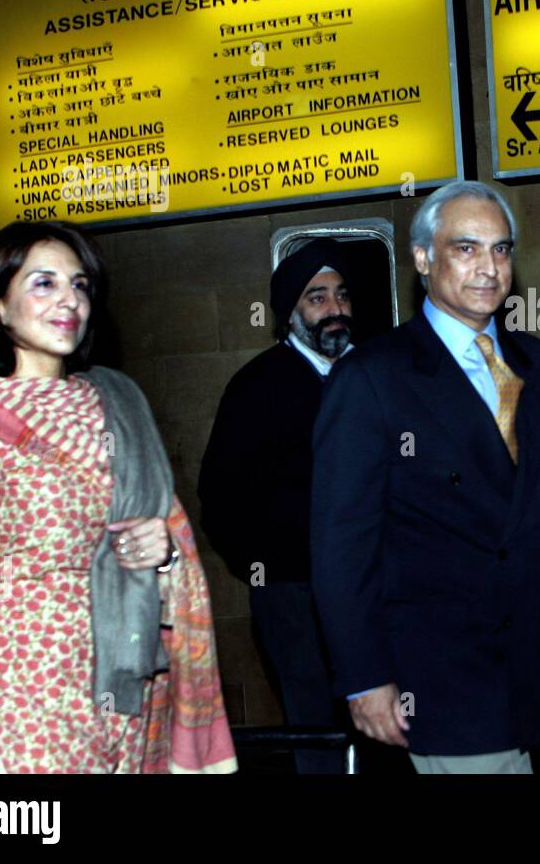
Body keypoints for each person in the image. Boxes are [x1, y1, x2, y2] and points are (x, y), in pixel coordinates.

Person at [310, 181, 540, 774]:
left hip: (521, 666)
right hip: (432, 669)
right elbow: (340, 544)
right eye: (466, 249)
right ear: (423, 257)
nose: (488, 268)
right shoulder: (372, 377)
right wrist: (363, 675)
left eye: (501, 250)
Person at [0, 222, 235, 774]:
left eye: (79, 285)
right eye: (43, 283)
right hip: (12, 689)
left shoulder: (116, 405)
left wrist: (166, 551)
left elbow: (168, 534)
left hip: (118, 679)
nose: (68, 300)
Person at [199, 238, 354, 773]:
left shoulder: (376, 374)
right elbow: (218, 496)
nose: (334, 309)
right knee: (314, 726)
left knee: (389, 718)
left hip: (375, 584)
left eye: (340, 295)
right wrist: (272, 568)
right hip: (293, 592)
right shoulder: (256, 386)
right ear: (290, 312)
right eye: (317, 298)